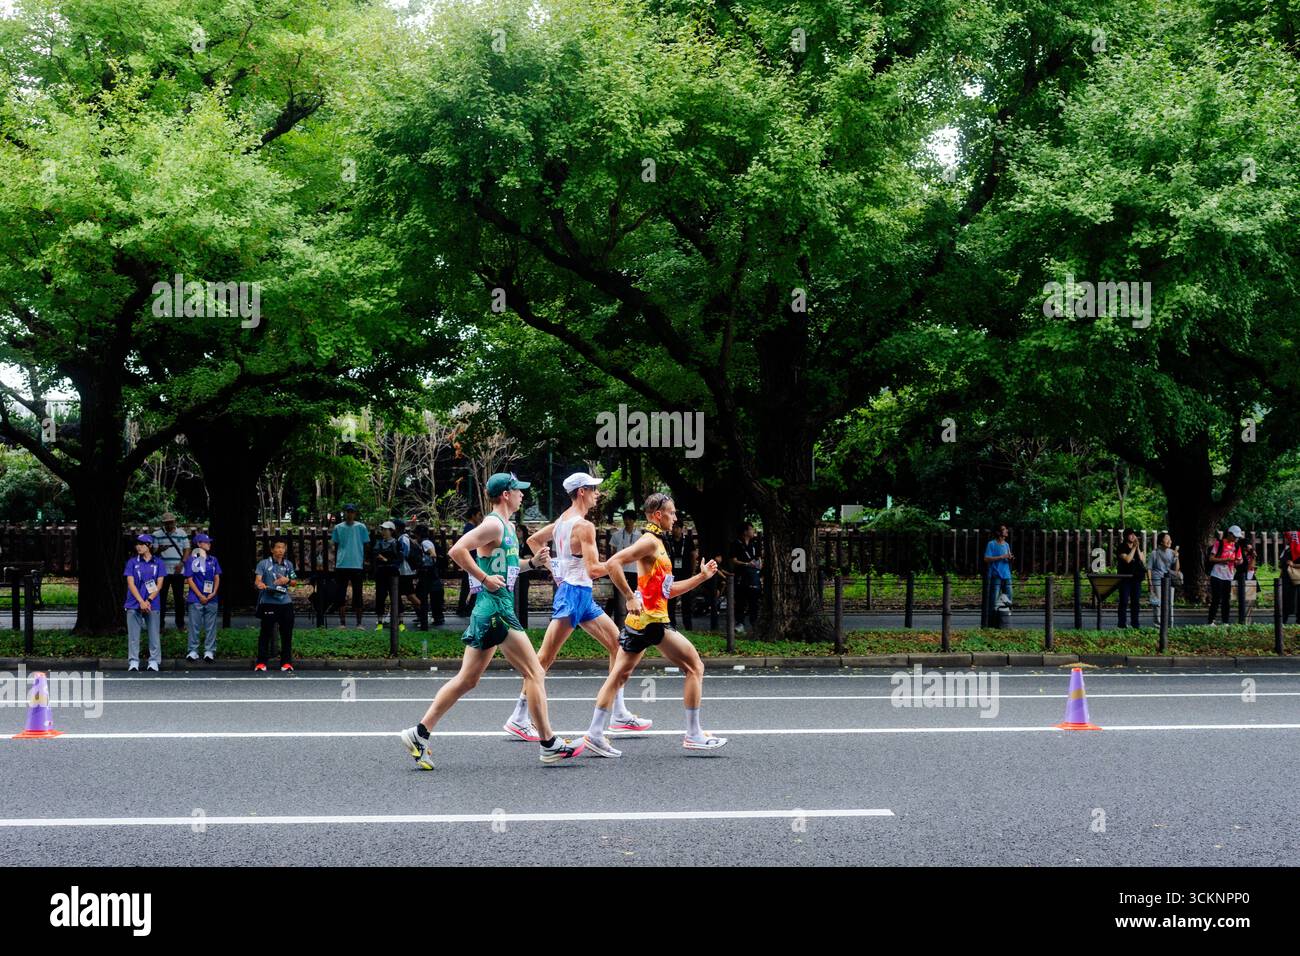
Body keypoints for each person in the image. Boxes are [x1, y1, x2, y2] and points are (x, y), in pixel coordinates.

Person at [398, 472, 584, 768]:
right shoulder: (493, 524)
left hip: (491, 609)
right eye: (518, 490)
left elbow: (507, 568)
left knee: (467, 679)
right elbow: (457, 550)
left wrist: (532, 563)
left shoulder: (507, 527)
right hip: (497, 610)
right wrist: (483, 578)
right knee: (535, 672)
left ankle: (419, 733)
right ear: (506, 495)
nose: (523, 494)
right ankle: (549, 744)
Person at [505, 472, 652, 750]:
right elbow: (594, 569)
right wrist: (624, 560)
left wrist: (555, 567)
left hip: (580, 595)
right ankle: (519, 715)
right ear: (582, 491)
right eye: (594, 489)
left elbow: (534, 541)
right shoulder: (583, 526)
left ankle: (618, 712)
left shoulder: (562, 520)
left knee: (618, 645)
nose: (597, 493)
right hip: (573, 595)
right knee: (543, 659)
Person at [580, 492, 724, 757]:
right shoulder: (648, 542)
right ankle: (693, 734)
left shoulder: (657, 543)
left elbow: (667, 591)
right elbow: (613, 563)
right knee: (695, 666)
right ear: (658, 515)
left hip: (640, 621)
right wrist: (629, 596)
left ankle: (594, 733)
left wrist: (701, 577)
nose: (676, 516)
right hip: (652, 623)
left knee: (618, 675)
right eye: (672, 512)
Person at [254, 539, 302, 672]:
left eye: (283, 548)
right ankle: (261, 662)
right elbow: (257, 580)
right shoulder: (263, 564)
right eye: (278, 547)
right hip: (269, 602)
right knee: (266, 633)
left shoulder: (288, 564)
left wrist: (287, 580)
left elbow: (294, 582)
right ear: (272, 549)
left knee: (287, 633)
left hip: (285, 603)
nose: (281, 550)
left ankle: (286, 662)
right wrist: (260, 584)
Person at [124, 534, 165, 672]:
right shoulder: (132, 562)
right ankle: (133, 661)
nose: (138, 547)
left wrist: (148, 600)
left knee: (154, 634)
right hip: (133, 603)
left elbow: (159, 585)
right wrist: (141, 601)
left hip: (152, 603)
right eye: (137, 544)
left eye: (142, 544)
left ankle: (154, 661)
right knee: (134, 635)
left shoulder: (158, 562)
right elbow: (130, 583)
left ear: (149, 546)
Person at [183, 533, 221, 662]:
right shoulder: (191, 560)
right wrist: (200, 595)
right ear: (199, 544)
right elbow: (190, 579)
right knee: (195, 625)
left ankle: (209, 650)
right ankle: (193, 650)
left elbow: (217, 577)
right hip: (195, 598)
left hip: (212, 597)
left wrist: (214, 592)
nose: (209, 544)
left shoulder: (213, 560)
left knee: (211, 626)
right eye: (206, 542)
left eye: (209, 542)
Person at [331, 503, 369, 629]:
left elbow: (365, 545)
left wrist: (364, 560)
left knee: (358, 594)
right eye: (347, 511)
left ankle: (359, 623)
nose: (349, 514)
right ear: (344, 513)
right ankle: (342, 623)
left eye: (352, 511)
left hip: (357, 564)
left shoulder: (361, 527)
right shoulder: (338, 527)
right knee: (340, 594)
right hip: (342, 564)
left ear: (355, 513)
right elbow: (335, 546)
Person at [151, 512, 190, 632]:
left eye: (171, 522)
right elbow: (153, 551)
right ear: (163, 523)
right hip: (162, 571)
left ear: (175, 522)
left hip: (178, 570)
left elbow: (187, 549)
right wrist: (159, 550)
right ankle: (160, 625)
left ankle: (180, 624)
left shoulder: (182, 533)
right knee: (160, 598)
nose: (169, 525)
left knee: (179, 598)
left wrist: (182, 563)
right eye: (167, 523)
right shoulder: (156, 534)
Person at [603, 509, 642, 621]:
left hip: (634, 570)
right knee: (617, 594)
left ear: (634, 520)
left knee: (633, 594)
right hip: (620, 569)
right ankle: (611, 618)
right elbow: (613, 552)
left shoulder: (639, 536)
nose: (627, 521)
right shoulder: (617, 535)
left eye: (630, 519)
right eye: (625, 519)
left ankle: (633, 618)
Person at [1206, 525, 1243, 625]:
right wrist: (1225, 560)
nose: (1236, 539)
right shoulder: (1219, 543)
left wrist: (1238, 562)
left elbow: (1240, 559)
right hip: (1217, 574)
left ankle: (1225, 621)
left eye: (1237, 537)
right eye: (1235, 536)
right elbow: (1211, 558)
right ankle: (1211, 621)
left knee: (1226, 599)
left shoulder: (1237, 546)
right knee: (1216, 598)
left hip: (1229, 575)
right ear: (1229, 534)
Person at [729, 522, 761, 633]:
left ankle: (754, 624)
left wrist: (758, 565)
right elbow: (733, 560)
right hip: (741, 576)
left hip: (753, 575)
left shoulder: (755, 543)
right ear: (745, 532)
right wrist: (746, 564)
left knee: (754, 601)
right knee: (740, 600)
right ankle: (740, 623)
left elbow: (758, 558)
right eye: (751, 529)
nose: (753, 531)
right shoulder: (736, 544)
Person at [414, 523, 445, 628]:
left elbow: (433, 554)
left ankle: (423, 619)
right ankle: (436, 617)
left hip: (428, 571)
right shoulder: (429, 541)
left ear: (418, 534)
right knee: (433, 594)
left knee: (419, 595)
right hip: (432, 572)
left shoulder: (425, 543)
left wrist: (425, 560)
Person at [373, 520, 402, 628]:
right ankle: (380, 622)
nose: (383, 531)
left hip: (393, 573)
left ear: (391, 531)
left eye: (385, 529)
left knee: (396, 596)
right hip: (381, 573)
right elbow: (376, 554)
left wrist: (386, 560)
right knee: (380, 597)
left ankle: (400, 622)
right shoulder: (379, 543)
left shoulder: (397, 543)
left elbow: (399, 559)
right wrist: (386, 560)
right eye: (382, 529)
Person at [1146, 533, 1179, 626]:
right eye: (1167, 539)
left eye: (1170, 539)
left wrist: (1177, 556)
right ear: (1161, 541)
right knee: (1158, 603)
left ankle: (1170, 624)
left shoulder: (1172, 552)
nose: (1170, 541)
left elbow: (1176, 570)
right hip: (1157, 580)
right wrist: (1150, 583)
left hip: (1169, 580)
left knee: (1170, 603)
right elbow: (1149, 568)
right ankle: (1157, 625)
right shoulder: (1154, 553)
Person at [456, 507, 483, 616]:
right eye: (479, 515)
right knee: (469, 586)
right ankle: (464, 609)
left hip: (470, 561)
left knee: (472, 586)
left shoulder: (470, 528)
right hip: (471, 561)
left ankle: (466, 609)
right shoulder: (470, 529)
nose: (480, 518)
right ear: (473, 515)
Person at [1115, 529, 1145, 628]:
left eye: (1134, 535)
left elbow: (1142, 559)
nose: (1133, 536)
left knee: (1135, 602)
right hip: (1124, 578)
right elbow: (1127, 559)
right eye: (1130, 535)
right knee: (1124, 601)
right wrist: (1133, 548)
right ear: (1126, 536)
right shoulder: (1121, 547)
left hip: (1136, 578)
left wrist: (1138, 547)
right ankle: (1122, 624)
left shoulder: (1136, 547)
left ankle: (1135, 624)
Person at [982, 524, 1013, 620]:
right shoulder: (991, 544)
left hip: (1006, 574)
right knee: (994, 598)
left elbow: (1007, 559)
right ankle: (992, 617)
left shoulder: (1007, 544)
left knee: (1009, 596)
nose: (1007, 531)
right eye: (1004, 529)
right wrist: (1001, 557)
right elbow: (986, 559)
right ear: (999, 532)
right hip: (996, 575)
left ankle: (1005, 615)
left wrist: (1010, 558)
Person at [666, 520, 688, 627]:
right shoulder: (668, 540)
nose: (675, 530)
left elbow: (693, 555)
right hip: (671, 574)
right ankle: (671, 624)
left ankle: (688, 625)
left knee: (686, 599)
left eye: (677, 527)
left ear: (681, 529)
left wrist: (691, 571)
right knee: (671, 600)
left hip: (684, 572)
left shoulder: (687, 540)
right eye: (673, 527)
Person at [1282, 531, 1300, 623]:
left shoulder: (1298, 549)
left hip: (1295, 580)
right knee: (1286, 600)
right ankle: (1284, 620)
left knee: (1296, 600)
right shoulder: (1287, 548)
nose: (1285, 539)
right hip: (1286, 579)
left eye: (1286, 537)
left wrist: (1293, 565)